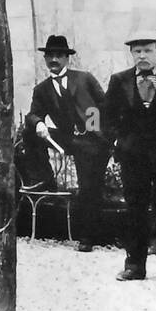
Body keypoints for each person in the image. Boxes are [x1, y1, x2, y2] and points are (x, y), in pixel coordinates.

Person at [24, 34, 110, 252]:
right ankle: (45, 179)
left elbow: (105, 107)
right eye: (49, 56)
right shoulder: (42, 89)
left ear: (67, 58)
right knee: (29, 131)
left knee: (89, 187)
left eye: (59, 55)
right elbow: (33, 114)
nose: (54, 60)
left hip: (91, 139)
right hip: (67, 139)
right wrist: (39, 123)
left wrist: (105, 138)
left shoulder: (84, 78)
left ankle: (88, 237)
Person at [103, 27, 156, 282]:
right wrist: (118, 142)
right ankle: (135, 265)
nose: (142, 55)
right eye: (136, 51)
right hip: (133, 156)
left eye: (147, 50)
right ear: (131, 54)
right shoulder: (119, 80)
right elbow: (107, 117)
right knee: (135, 210)